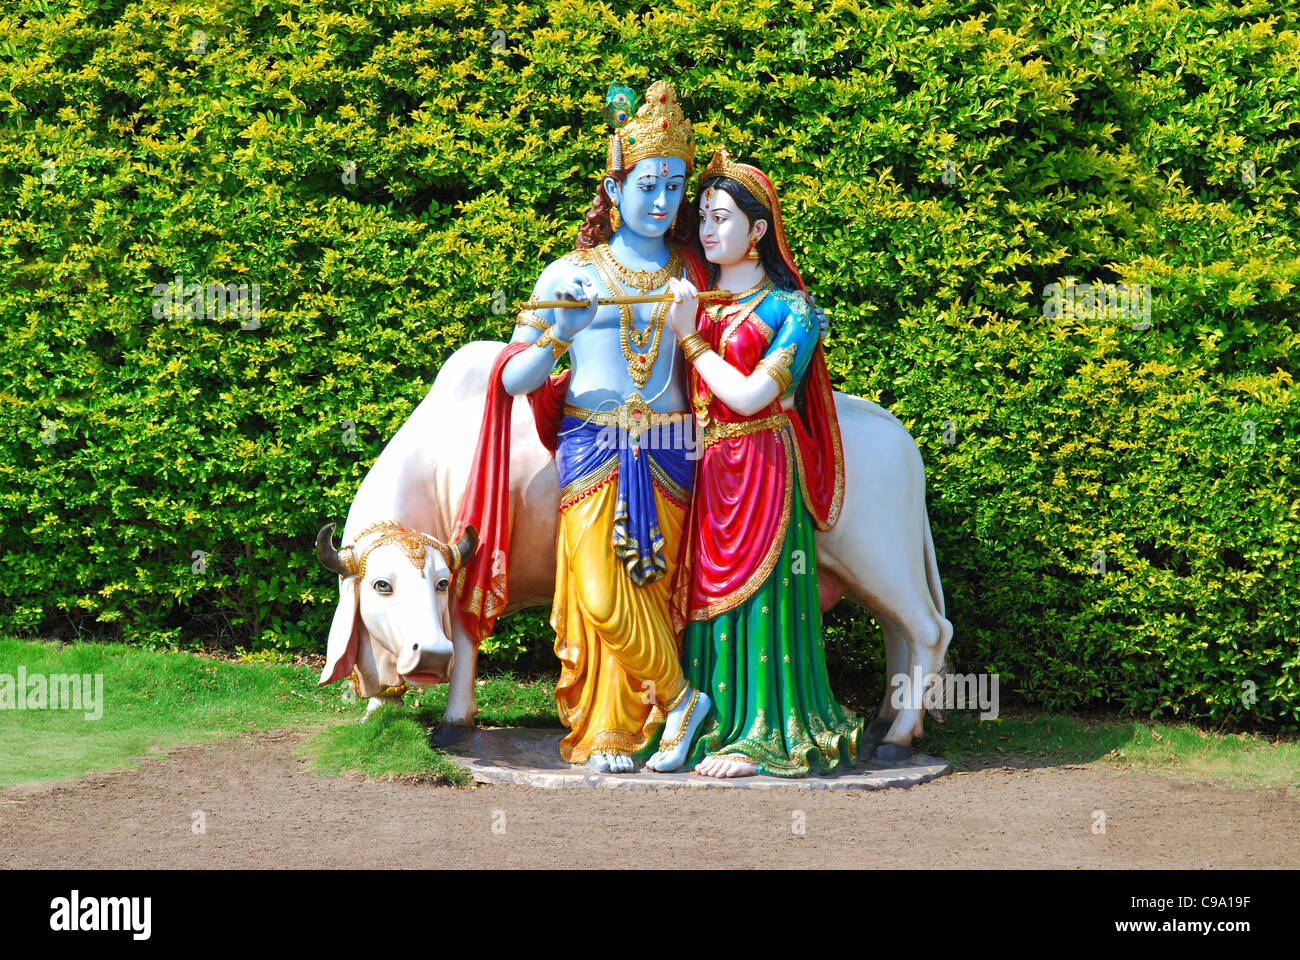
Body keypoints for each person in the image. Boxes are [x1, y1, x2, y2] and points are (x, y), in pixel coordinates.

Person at [493, 80, 711, 773]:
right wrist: (560, 333)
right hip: (592, 444)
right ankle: (678, 700)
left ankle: (631, 731)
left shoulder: (698, 273)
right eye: (647, 184)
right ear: (613, 188)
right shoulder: (572, 271)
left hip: (674, 447)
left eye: (675, 188)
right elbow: (512, 379)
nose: (661, 201)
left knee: (652, 587)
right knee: (597, 593)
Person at [665, 148, 863, 778]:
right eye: (703, 217)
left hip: (763, 469)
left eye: (722, 218)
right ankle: (705, 719)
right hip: (704, 466)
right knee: (701, 596)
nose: (707, 229)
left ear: (758, 231)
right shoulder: (693, 299)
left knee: (764, 600)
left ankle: (762, 733)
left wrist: (689, 337)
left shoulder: (792, 311)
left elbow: (751, 395)